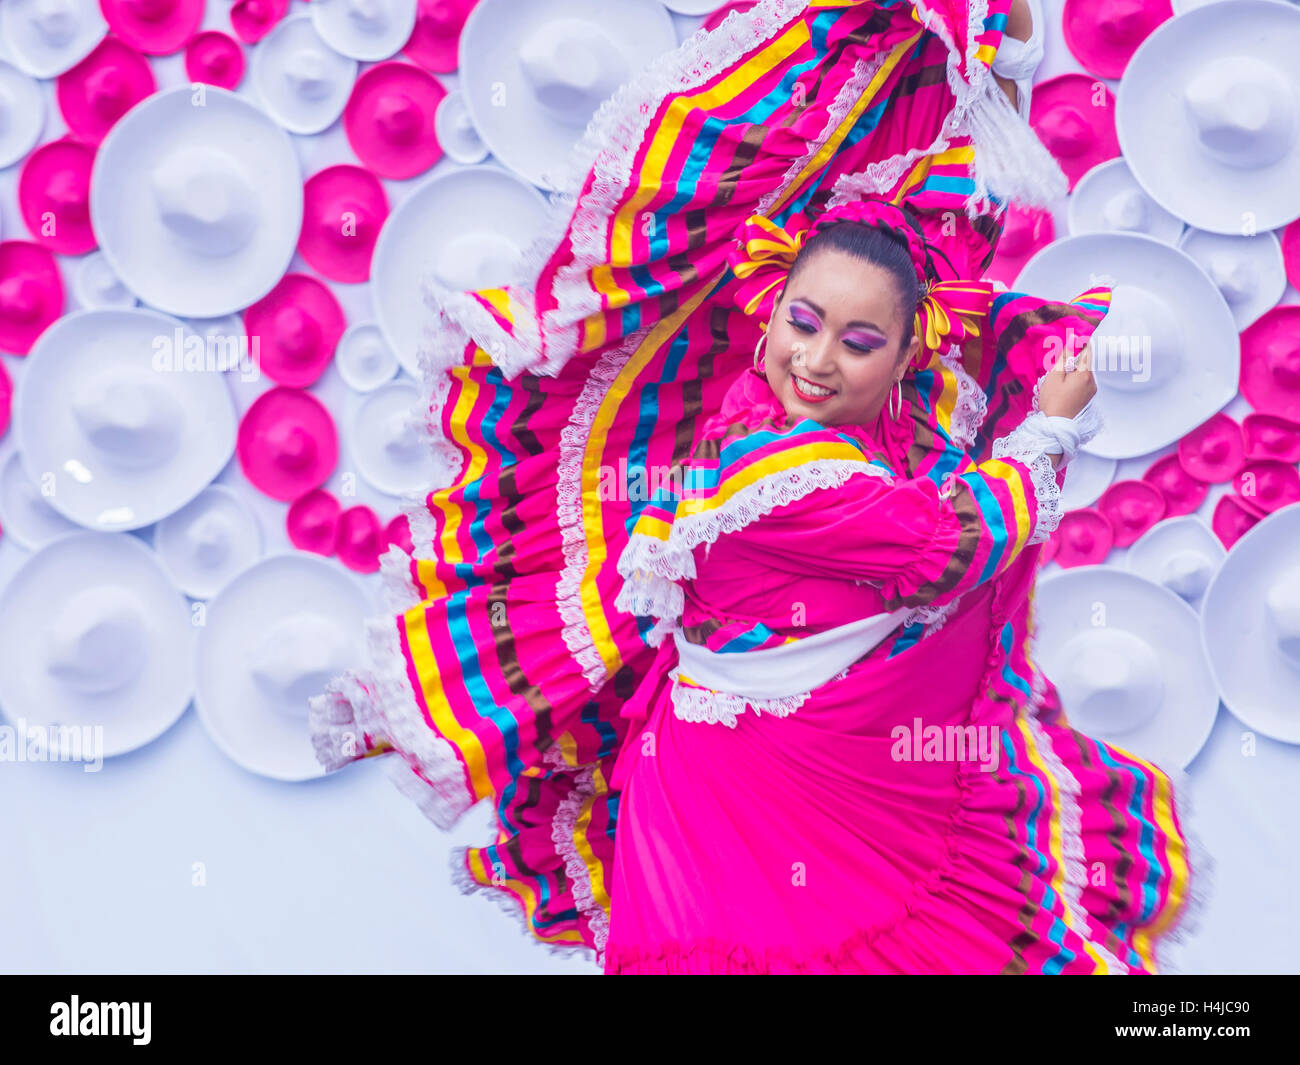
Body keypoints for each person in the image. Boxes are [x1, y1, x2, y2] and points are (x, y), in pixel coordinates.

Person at [309, 0, 1205, 973]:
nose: (815, 360)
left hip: (819, 762)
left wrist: (968, 79)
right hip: (735, 792)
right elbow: (952, 539)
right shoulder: (771, 465)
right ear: (769, 311)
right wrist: (1051, 426)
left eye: (856, 342)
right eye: (801, 325)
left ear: (909, 350)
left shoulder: (858, 403)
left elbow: (930, 267)